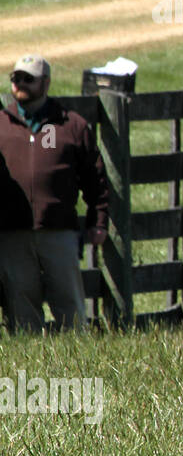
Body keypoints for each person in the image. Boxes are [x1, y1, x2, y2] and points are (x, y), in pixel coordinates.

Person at [0, 54, 108, 333]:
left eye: (28, 79)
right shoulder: (1, 125)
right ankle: (30, 367)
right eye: (16, 78)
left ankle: (75, 365)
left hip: (59, 231)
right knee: (21, 307)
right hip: (13, 232)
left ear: (46, 83)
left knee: (69, 306)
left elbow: (95, 180)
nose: (20, 84)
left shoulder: (70, 126)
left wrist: (99, 221)